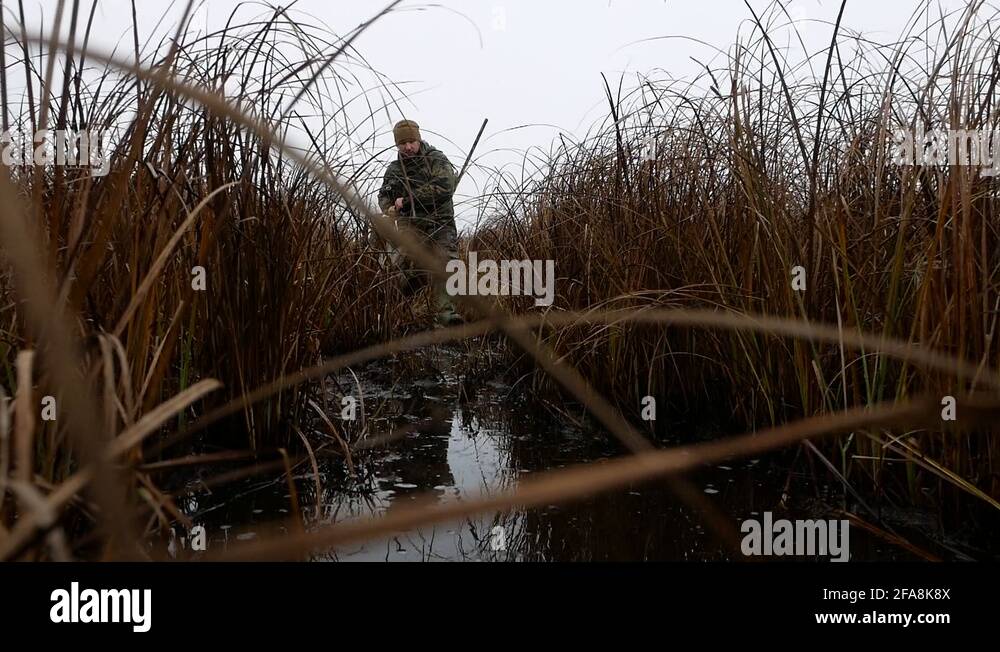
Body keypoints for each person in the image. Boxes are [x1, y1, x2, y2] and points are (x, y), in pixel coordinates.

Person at [377, 119, 463, 325]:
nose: (408, 147)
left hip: (440, 224)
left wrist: (406, 201)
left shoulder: (437, 159)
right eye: (402, 143)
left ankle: (446, 316)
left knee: (446, 264)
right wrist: (389, 208)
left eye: (412, 141)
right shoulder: (394, 169)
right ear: (396, 144)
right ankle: (404, 312)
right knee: (404, 269)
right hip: (410, 227)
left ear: (419, 138)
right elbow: (384, 196)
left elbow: (443, 189)